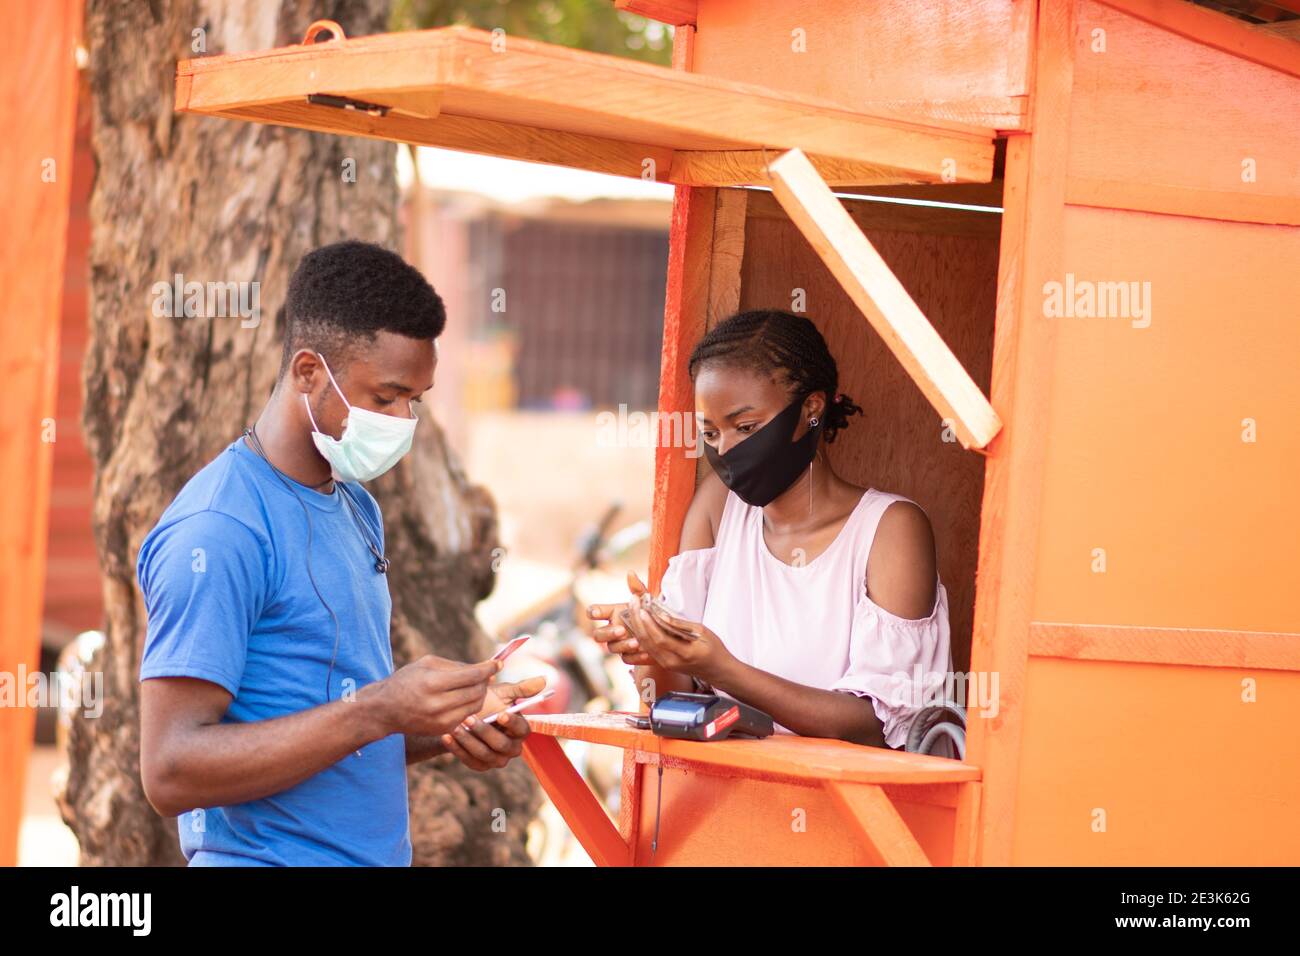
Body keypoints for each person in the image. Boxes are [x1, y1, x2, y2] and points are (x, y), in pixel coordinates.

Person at [137, 240, 544, 866]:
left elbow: (330, 723)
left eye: (416, 399)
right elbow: (169, 771)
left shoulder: (355, 506)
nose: (403, 419)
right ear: (308, 372)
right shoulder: (219, 531)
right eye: (385, 397)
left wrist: (444, 723)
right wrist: (379, 708)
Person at [588, 309, 952, 750]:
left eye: (746, 427)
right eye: (711, 432)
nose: (726, 450)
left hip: (852, 811)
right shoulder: (718, 508)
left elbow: (876, 725)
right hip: (725, 798)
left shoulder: (890, 530)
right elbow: (671, 701)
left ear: (811, 410)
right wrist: (654, 647)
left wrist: (724, 669)